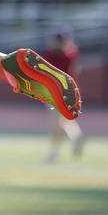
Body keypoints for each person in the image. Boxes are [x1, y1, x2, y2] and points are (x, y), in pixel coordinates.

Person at [40, 28, 86, 164]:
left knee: (57, 124)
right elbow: (76, 69)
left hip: (56, 91)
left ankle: (54, 152)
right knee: (63, 121)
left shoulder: (51, 54)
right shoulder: (72, 52)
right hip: (70, 90)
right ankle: (76, 137)